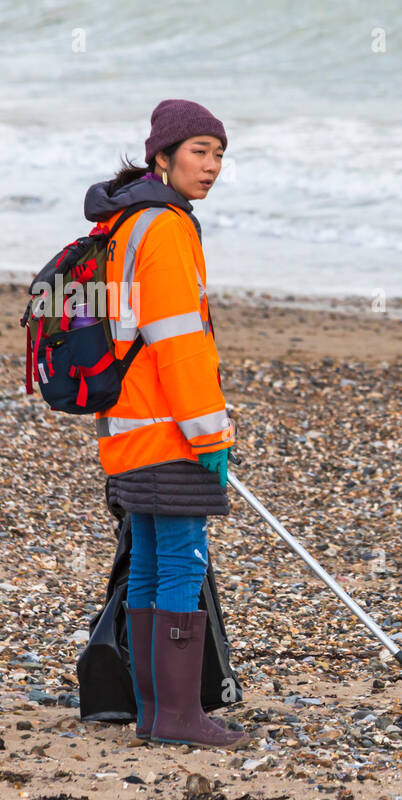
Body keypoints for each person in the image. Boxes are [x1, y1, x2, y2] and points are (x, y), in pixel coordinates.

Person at [84, 99, 246, 749]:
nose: (210, 167)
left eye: (219, 155)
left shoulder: (125, 222)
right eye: (199, 151)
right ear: (162, 157)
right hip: (169, 429)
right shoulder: (168, 228)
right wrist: (213, 436)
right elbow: (178, 343)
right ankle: (177, 716)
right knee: (179, 558)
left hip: (126, 425)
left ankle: (157, 713)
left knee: (150, 560)